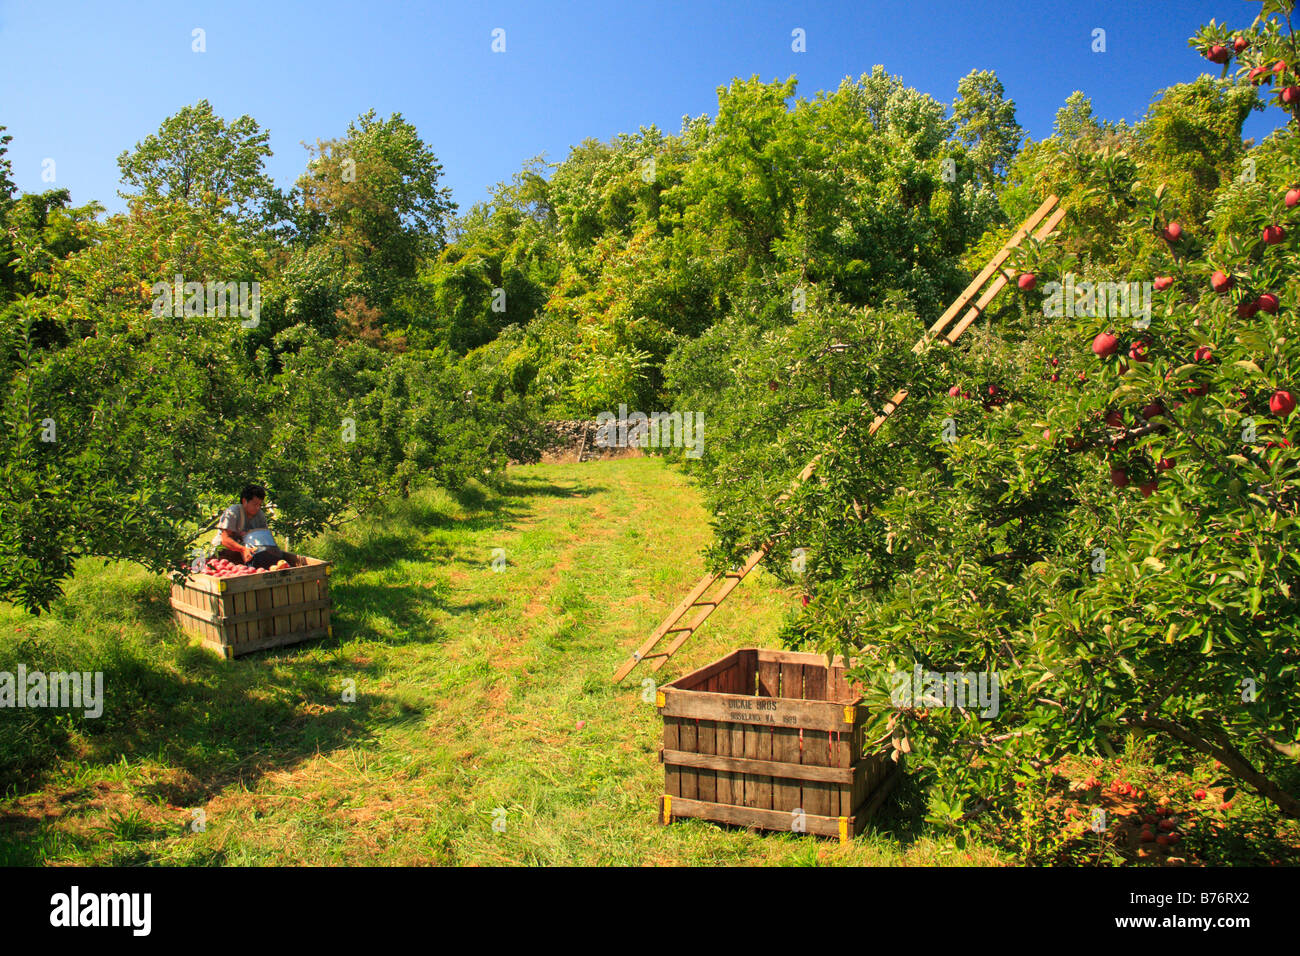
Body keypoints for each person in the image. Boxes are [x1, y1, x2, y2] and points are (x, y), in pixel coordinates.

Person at [211, 484, 272, 565]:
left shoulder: (260, 515)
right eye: (255, 504)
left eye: (260, 505)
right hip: (222, 553)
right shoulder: (233, 512)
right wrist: (243, 549)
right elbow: (225, 540)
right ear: (244, 501)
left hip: (244, 555)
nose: (257, 508)